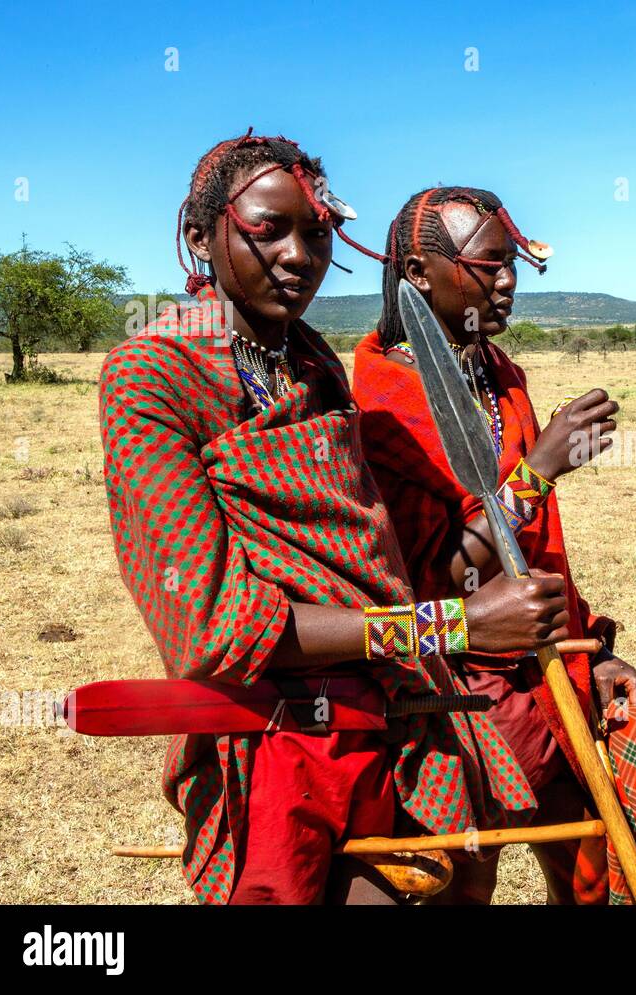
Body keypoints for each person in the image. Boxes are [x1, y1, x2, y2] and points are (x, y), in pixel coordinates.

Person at [99, 134, 570, 905]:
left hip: (388, 722)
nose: (298, 256)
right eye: (268, 228)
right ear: (198, 234)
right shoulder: (152, 371)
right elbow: (214, 630)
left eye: (316, 233)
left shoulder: (314, 364)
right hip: (272, 742)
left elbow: (370, 558)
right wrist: (449, 627)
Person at [354, 186, 636, 904]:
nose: (507, 280)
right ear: (419, 272)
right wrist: (538, 470)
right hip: (457, 689)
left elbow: (539, 552)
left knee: (589, 867)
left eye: (512, 263)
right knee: (467, 873)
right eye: (487, 264)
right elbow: (441, 576)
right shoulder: (383, 404)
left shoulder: (499, 377)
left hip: (551, 669)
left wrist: (593, 644)